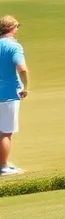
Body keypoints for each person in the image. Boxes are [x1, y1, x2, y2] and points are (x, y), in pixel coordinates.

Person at [0, 16, 29, 177]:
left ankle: (2, 162)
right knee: (6, 132)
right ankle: (3, 166)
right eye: (17, 26)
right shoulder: (14, 46)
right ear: (11, 28)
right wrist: (26, 87)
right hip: (8, 93)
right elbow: (22, 69)